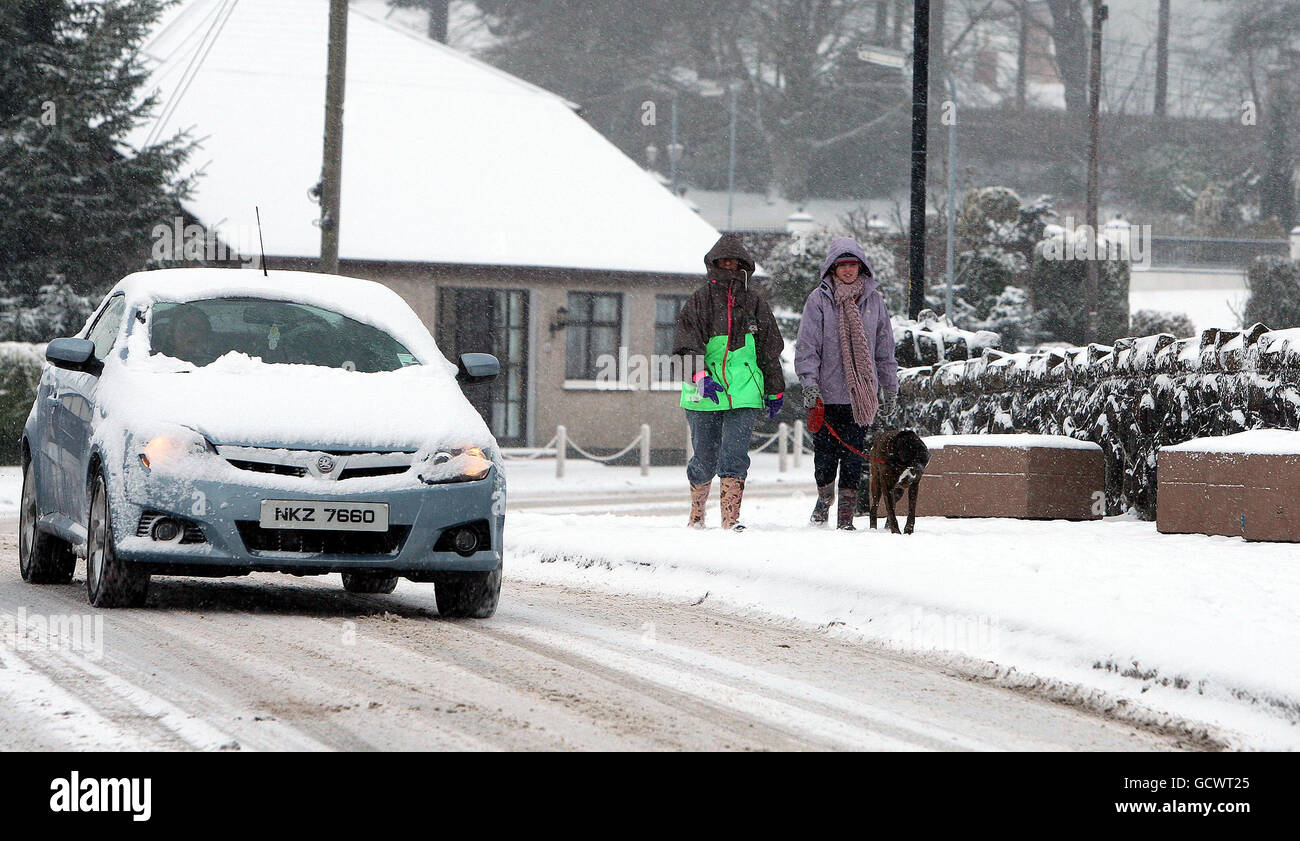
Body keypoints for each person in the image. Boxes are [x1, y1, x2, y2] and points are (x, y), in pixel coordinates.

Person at [673, 233, 785, 531]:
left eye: (734, 263)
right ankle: (697, 514)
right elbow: (685, 345)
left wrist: (775, 389)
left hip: (745, 391)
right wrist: (700, 378)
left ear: (743, 266)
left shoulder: (755, 304)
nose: (729, 267)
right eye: (724, 262)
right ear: (714, 264)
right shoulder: (699, 301)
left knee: (735, 456)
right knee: (705, 457)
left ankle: (730, 520)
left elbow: (769, 351)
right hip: (704, 392)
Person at [795, 236, 899, 529]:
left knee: (854, 457)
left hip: (861, 397)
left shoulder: (874, 301)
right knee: (825, 458)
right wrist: (809, 384)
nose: (848, 270)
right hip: (825, 396)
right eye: (842, 265)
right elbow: (807, 346)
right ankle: (824, 499)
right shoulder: (819, 299)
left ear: (861, 266)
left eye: (852, 264)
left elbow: (884, 347)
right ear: (833, 268)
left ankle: (846, 515)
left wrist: (889, 387)